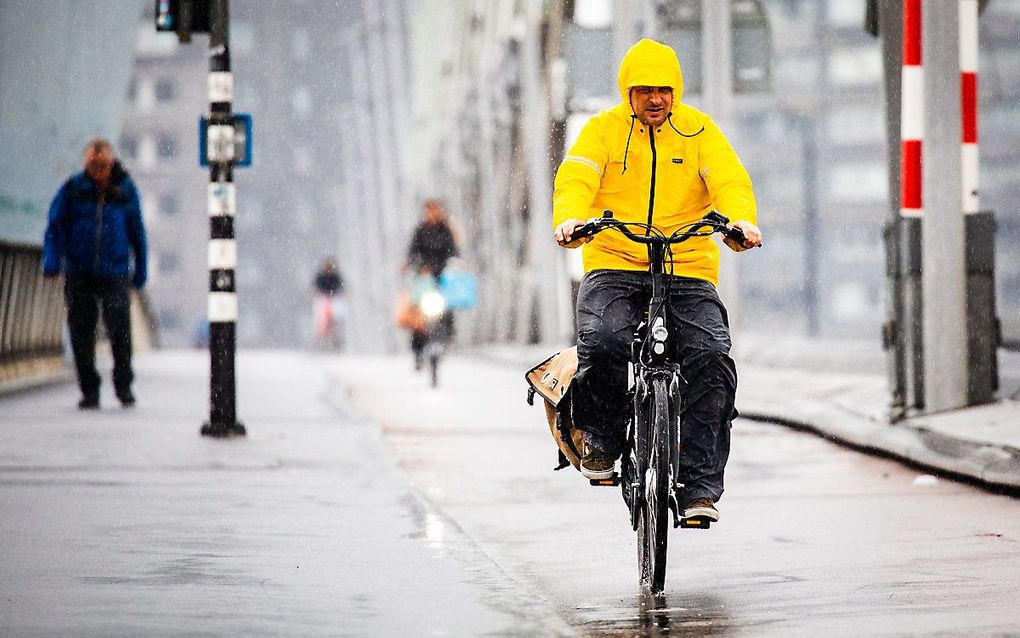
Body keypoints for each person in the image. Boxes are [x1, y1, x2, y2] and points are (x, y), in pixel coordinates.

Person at [552, 39, 762, 523]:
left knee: (711, 356)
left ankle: (698, 485)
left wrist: (741, 222)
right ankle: (601, 438)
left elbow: (728, 179)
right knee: (602, 341)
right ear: (628, 91)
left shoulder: (699, 132)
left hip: (686, 264)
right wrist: (570, 220)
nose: (655, 99)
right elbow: (576, 179)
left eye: (663, 90)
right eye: (644, 89)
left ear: (676, 91)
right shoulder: (602, 132)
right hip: (615, 257)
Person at [42, 138, 148, 409]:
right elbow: (55, 226)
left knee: (120, 330)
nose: (99, 170)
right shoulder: (73, 189)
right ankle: (89, 389)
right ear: (86, 164)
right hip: (80, 271)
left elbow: (138, 232)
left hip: (115, 272)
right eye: (94, 165)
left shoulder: (124, 189)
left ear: (112, 163)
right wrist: (52, 261)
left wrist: (140, 271)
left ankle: (123, 385)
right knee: (81, 332)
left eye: (103, 165)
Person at [404, 199, 459, 367]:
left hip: (442, 278)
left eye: (436, 210)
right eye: (430, 210)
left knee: (448, 307)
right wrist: (419, 266)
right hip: (424, 279)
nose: (433, 213)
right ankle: (418, 352)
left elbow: (454, 252)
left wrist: (453, 264)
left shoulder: (446, 231)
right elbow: (412, 253)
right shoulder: (420, 231)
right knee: (418, 315)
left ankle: (449, 336)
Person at [313, 257, 346, 349]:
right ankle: (321, 334)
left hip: (334, 298)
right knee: (321, 316)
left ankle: (337, 332)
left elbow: (342, 288)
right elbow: (315, 288)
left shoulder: (336, 277)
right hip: (323, 299)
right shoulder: (320, 277)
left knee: (339, 313)